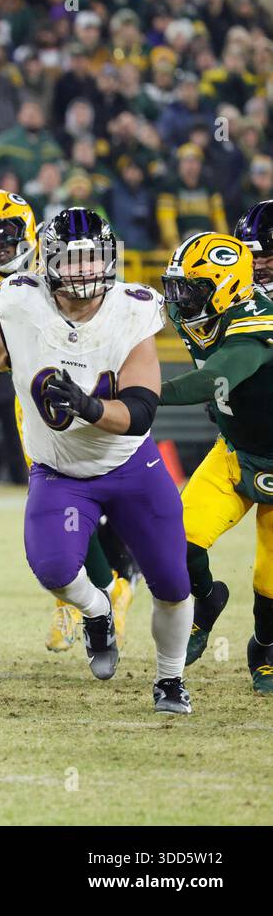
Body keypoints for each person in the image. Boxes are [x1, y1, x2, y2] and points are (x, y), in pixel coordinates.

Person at [0, 208, 194, 714]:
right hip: (60, 473)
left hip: (130, 466)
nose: (85, 271)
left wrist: (86, 406)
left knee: (171, 582)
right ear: (50, 262)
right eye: (74, 261)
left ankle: (169, 680)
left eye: (93, 259)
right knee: (54, 569)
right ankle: (97, 611)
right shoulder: (19, 302)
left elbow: (142, 411)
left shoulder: (133, 308)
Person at [0, 188, 135, 650]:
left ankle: (114, 585)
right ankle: (86, 597)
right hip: (39, 398)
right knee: (58, 495)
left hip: (97, 386)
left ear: (28, 228)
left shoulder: (68, 259)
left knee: (111, 492)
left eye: (5, 235)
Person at [158, 232, 273, 694]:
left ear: (225, 288)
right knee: (177, 538)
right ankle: (206, 602)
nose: (180, 298)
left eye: (192, 288)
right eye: (177, 286)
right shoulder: (194, 311)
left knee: (269, 579)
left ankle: (264, 647)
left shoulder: (256, 329)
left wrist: (141, 395)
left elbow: (211, 380)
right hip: (232, 451)